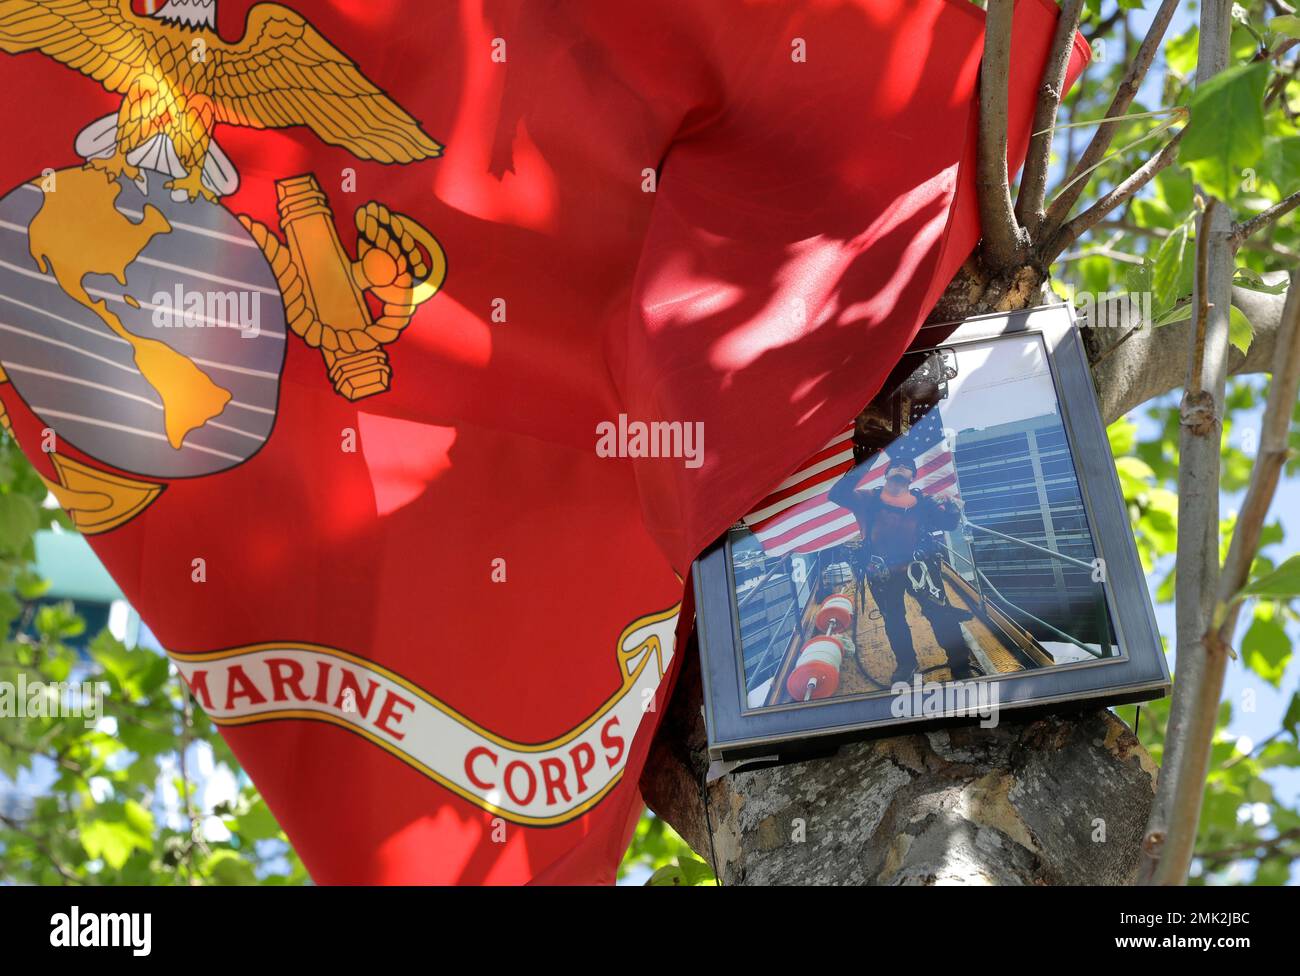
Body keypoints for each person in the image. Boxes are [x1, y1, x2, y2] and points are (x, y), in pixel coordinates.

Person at [828, 454, 978, 682]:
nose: (901, 465)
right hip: (882, 573)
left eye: (907, 466)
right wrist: (865, 460)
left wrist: (952, 509)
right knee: (893, 620)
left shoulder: (924, 503)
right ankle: (907, 664)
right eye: (895, 465)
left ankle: (960, 663)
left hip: (920, 569)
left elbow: (948, 524)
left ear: (912, 477)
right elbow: (836, 494)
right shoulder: (868, 499)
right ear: (886, 473)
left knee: (941, 614)